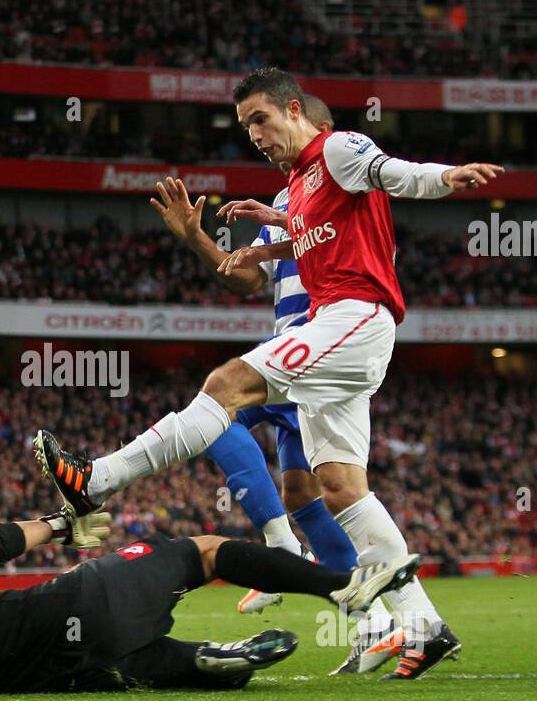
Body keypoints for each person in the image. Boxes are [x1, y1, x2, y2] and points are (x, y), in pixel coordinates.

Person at [36, 67, 504, 681]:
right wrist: (272, 237)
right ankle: (422, 624)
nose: (253, 134)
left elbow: (395, 173)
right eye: (245, 126)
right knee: (339, 489)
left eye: (260, 119)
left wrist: (448, 176)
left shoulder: (336, 148)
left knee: (225, 386)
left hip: (352, 318)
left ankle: (95, 481)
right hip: (343, 338)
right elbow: (315, 235)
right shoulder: (299, 187)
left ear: (292, 108)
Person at [153, 95, 398, 671]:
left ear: (315, 127)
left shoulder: (342, 183)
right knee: (309, 494)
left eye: (264, 123)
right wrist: (195, 238)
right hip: (292, 347)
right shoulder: (288, 199)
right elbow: (244, 279)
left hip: (318, 345)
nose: (262, 139)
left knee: (219, 414)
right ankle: (377, 620)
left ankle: (280, 553)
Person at [0, 506, 419, 697]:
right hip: (71, 605)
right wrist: (60, 523)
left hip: (68, 671)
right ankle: (341, 585)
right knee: (201, 551)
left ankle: (187, 660)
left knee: (129, 654)